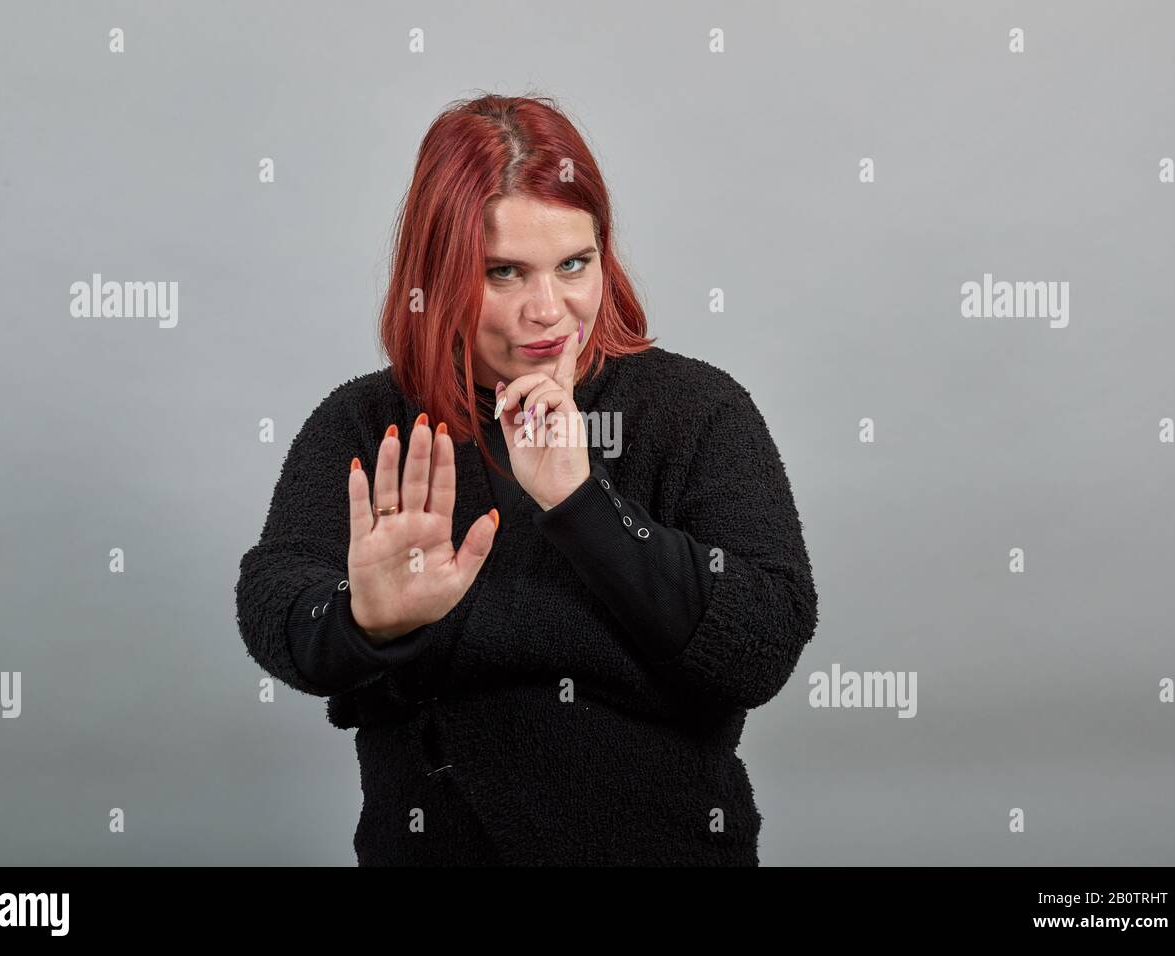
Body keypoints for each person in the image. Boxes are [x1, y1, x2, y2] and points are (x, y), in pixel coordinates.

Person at [235, 93, 820, 866]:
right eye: (504, 273)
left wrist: (584, 506)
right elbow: (277, 605)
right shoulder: (362, 423)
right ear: (436, 274)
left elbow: (762, 644)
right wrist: (364, 622)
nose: (549, 311)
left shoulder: (695, 410)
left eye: (574, 264)